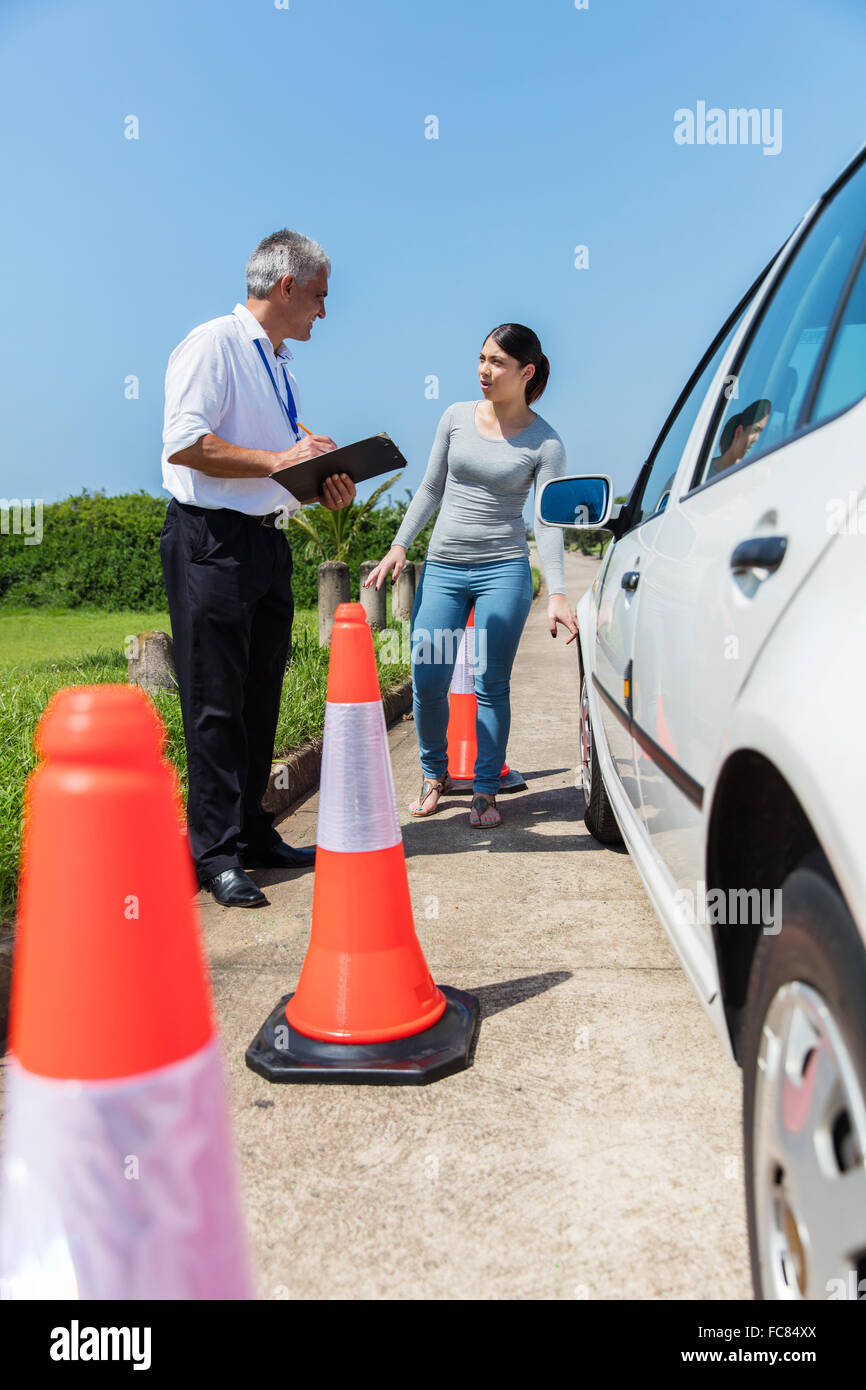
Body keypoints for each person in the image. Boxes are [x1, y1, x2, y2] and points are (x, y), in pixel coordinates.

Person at [160, 229, 356, 908]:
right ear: (287, 286)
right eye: (320, 297)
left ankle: (250, 830)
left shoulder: (280, 364)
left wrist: (317, 472)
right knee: (214, 703)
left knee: (258, 695)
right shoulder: (213, 343)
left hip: (267, 542)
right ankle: (212, 854)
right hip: (211, 539)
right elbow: (187, 443)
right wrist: (278, 462)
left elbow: (269, 462)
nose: (322, 313)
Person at [364, 323, 578, 829]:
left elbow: (547, 520)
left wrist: (559, 592)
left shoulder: (546, 443)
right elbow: (430, 487)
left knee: (490, 682)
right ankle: (434, 774)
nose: (484, 370)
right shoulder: (456, 417)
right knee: (428, 677)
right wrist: (400, 546)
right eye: (481, 358)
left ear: (526, 372)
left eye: (498, 362)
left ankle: (485, 789)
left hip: (504, 569)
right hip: (443, 567)